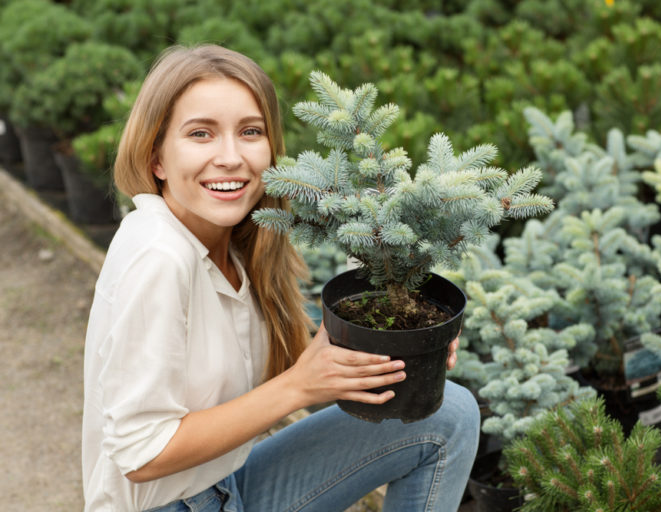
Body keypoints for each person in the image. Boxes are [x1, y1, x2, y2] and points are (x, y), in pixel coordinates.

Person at [81, 44, 480, 512]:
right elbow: (140, 452)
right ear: (157, 159)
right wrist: (299, 387)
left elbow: (274, 363)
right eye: (201, 134)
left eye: (250, 131)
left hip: (225, 484)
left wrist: (406, 346)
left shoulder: (233, 241)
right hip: (168, 505)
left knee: (448, 414)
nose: (230, 157)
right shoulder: (159, 256)